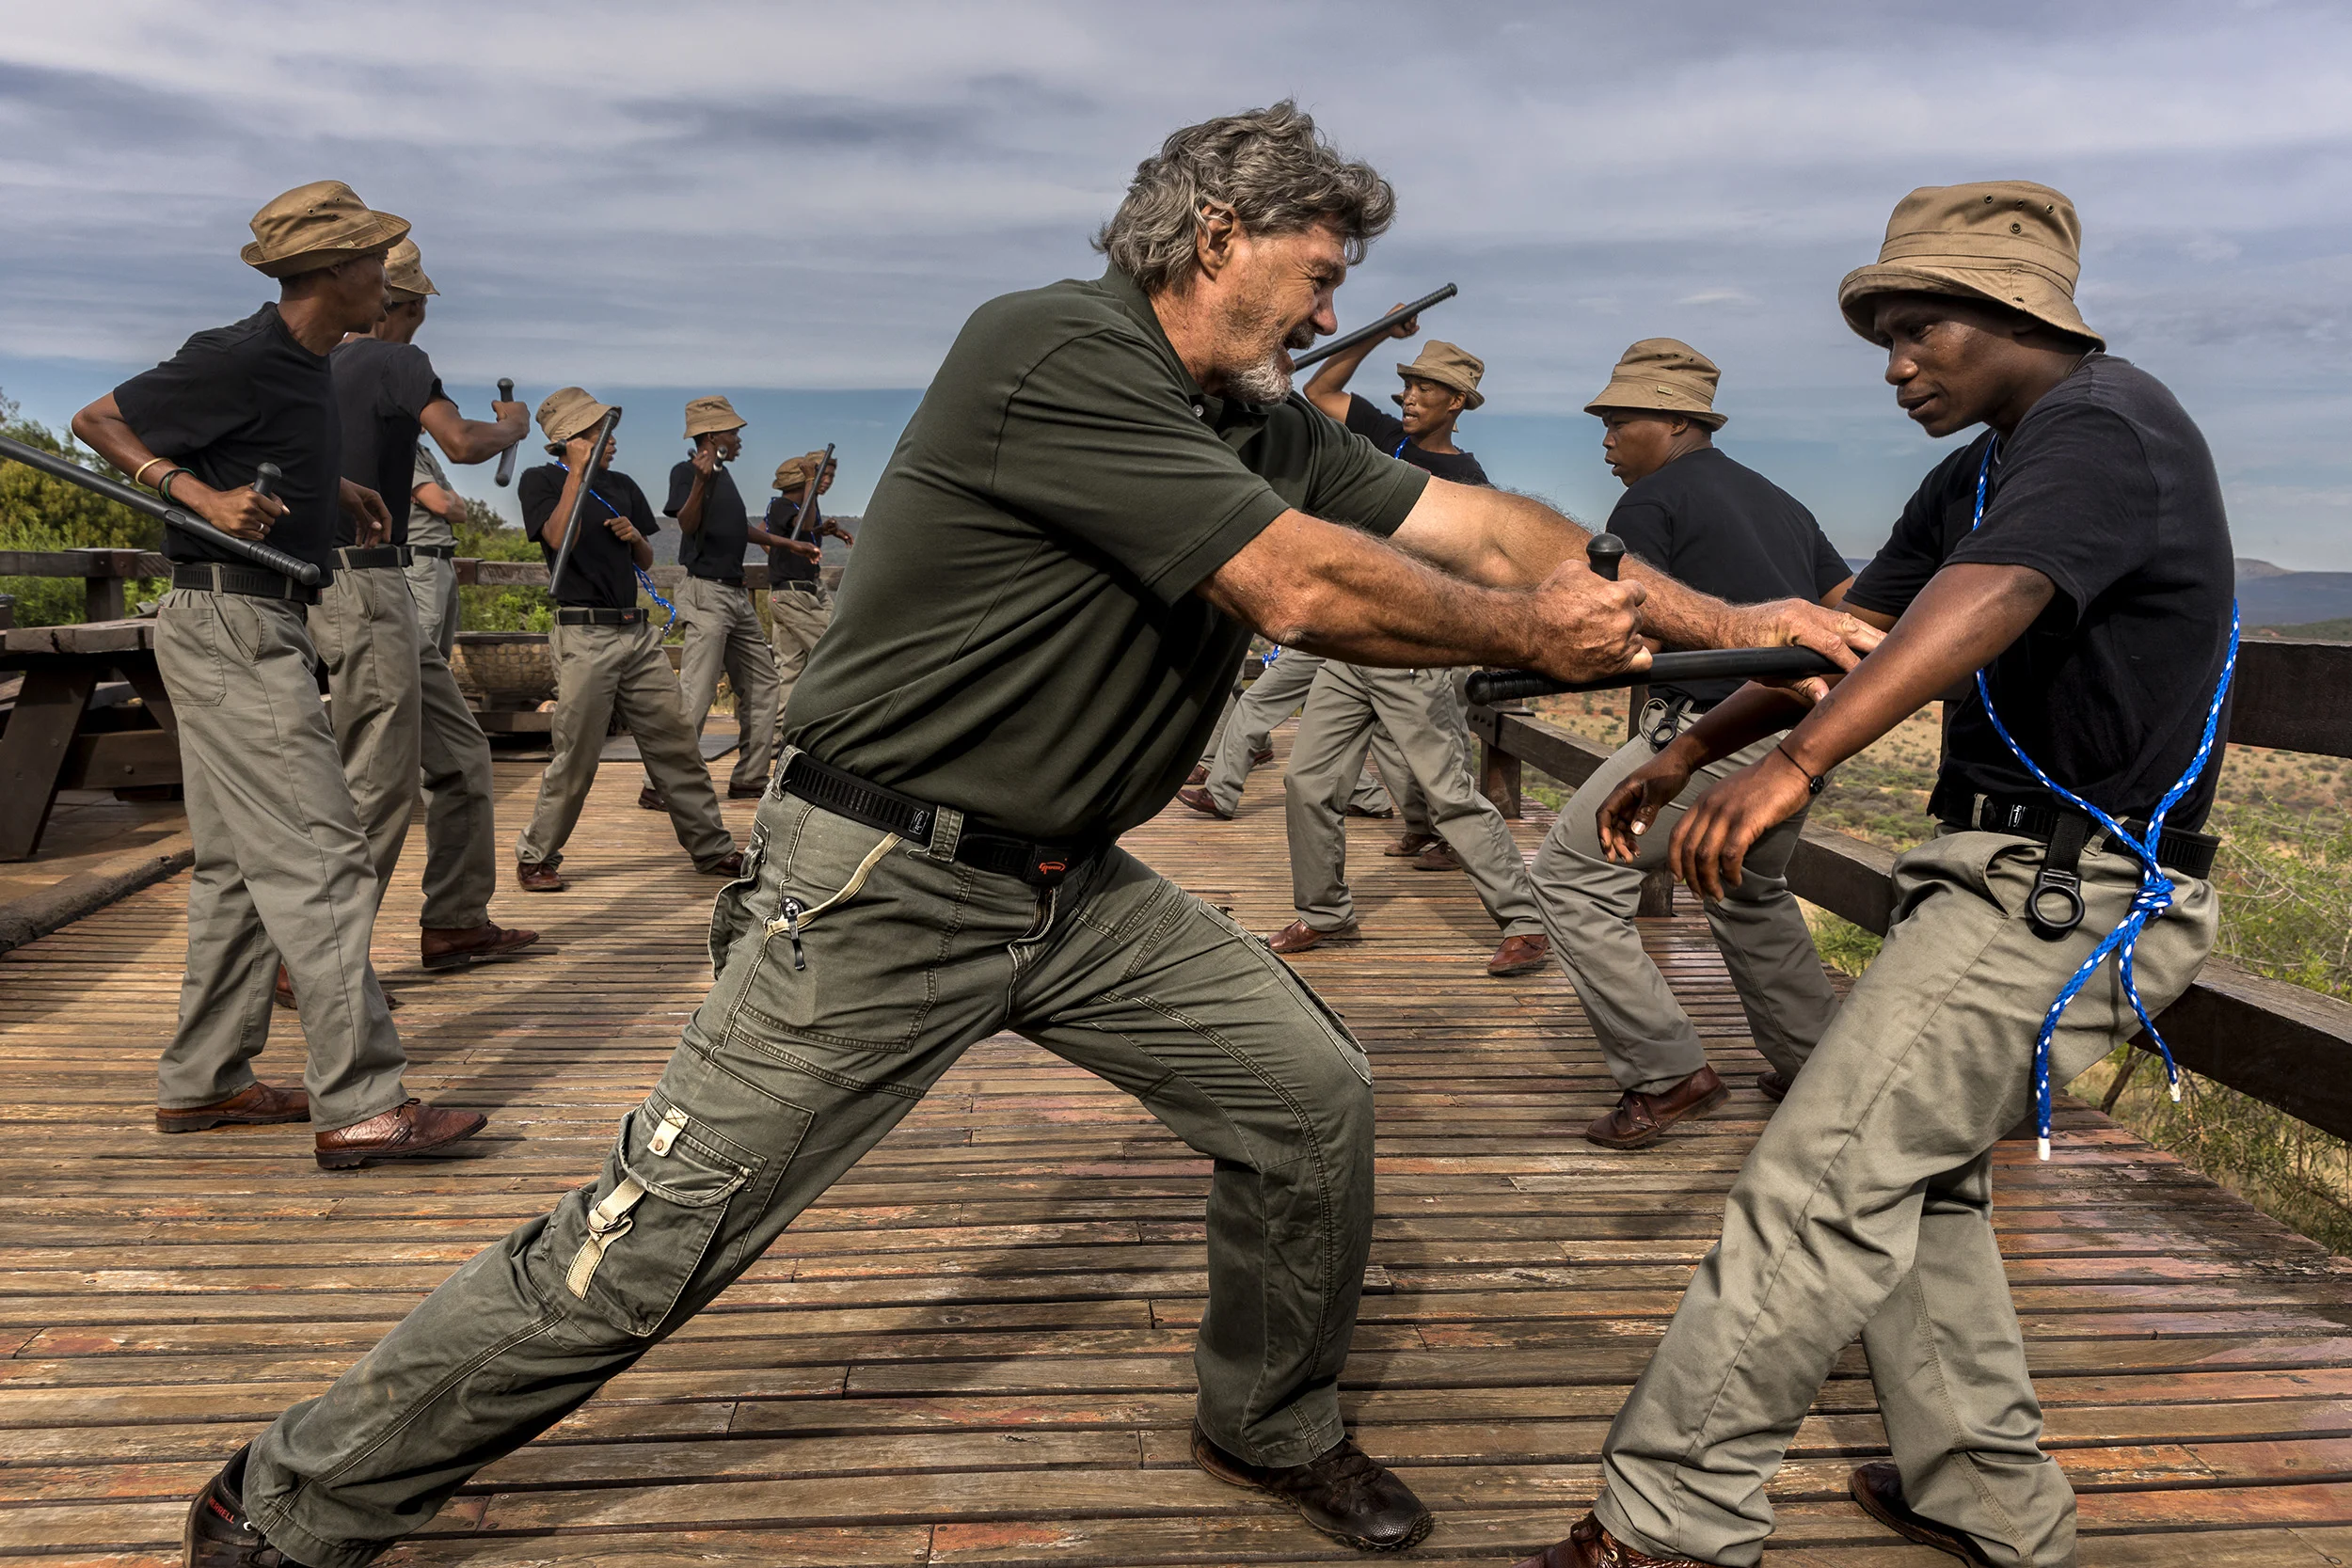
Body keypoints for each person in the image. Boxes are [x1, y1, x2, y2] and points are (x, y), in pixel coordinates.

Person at [198, 105, 1867, 1568]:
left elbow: (1488, 525)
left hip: (1070, 885)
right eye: (1320, 267)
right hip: (877, 882)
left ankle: (1268, 1420)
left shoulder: (1260, 418)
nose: (1334, 306)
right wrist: (1535, 643)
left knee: (1307, 1099)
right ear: (1218, 237)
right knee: (648, 1248)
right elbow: (1300, 589)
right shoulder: (1053, 350)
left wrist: (1727, 609)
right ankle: (292, 1495)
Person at [1518, 182, 2233, 1568]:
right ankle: (1986, 1492)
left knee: (1821, 1177)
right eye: (1887, 337)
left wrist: (1798, 770)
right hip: (2001, 874)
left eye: (1923, 329)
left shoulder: (2100, 428)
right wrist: (1704, 747)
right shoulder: (1984, 464)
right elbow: (1846, 627)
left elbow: (1991, 597)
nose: (1898, 363)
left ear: (2022, 314)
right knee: (1919, 1184)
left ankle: (1669, 1523)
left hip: (2068, 890)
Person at [71, 181, 485, 1171]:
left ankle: (206, 1079)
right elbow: (98, 421)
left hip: (257, 618)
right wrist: (190, 492)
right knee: (327, 854)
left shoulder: (305, 367)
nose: (385, 278)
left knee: (234, 869)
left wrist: (329, 489)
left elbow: (257, 447)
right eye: (374, 262)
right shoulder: (242, 352)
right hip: (231, 621)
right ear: (336, 270)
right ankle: (363, 1103)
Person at [1531, 340, 1851, 1150]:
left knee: (1569, 874)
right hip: (1797, 738)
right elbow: (1848, 607)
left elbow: (1616, 619)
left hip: (1706, 736)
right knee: (1751, 891)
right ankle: (1815, 1067)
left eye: (1619, 419)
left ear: (1675, 420)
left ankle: (1666, 1072)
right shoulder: (1781, 501)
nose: (1604, 437)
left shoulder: (1649, 504)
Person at [1277, 329, 1549, 975]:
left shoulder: (1467, 479)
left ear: (1456, 401)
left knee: (1447, 794)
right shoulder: (1381, 435)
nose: (1408, 395)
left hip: (1415, 651)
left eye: (1425, 387)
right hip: (1351, 641)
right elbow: (1319, 391)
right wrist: (1375, 333)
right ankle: (1325, 911)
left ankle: (1524, 922)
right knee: (1307, 779)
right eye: (1407, 383)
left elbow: (1480, 572)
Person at [320, 236, 540, 978]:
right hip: (365, 585)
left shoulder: (321, 365)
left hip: (361, 585)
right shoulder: (395, 361)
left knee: (461, 755)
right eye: (413, 312)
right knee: (378, 781)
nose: (415, 325)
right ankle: (320, 960)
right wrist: (513, 422)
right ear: (398, 307)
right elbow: (464, 441)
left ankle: (455, 920)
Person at [509, 388, 742, 890]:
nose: (610, 442)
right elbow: (555, 538)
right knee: (578, 752)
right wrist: (577, 471)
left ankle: (712, 848)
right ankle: (537, 855)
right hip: (583, 633)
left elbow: (644, 561)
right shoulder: (541, 481)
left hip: (634, 632)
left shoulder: (623, 485)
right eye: (598, 433)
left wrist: (634, 535)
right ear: (570, 440)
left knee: (676, 741)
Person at [645, 396, 780, 804]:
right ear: (712, 437)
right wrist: (702, 481)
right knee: (697, 692)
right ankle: (662, 785)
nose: (739, 439)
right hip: (705, 591)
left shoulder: (726, 476)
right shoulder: (686, 473)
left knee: (763, 682)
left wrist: (786, 543)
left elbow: (737, 527)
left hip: (735, 595)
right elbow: (686, 524)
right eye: (733, 432)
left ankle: (750, 778)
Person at [1176, 643, 1422, 824]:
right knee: (1329, 725)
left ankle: (1220, 793)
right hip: (1342, 637)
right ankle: (1371, 799)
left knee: (1255, 704)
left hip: (1318, 636)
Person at [759, 448, 850, 752]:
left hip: (799, 592)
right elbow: (780, 529)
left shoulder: (804, 509)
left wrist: (825, 531)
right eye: (820, 475)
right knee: (834, 649)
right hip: (792, 595)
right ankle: (839, 725)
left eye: (830, 475)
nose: (827, 481)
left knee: (790, 670)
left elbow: (807, 528)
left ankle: (776, 740)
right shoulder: (781, 506)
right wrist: (780, 557)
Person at [403, 440, 464, 655]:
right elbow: (443, 504)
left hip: (443, 559)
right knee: (423, 652)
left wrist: (435, 499)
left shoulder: (423, 452)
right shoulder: (402, 447)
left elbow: (461, 511)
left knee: (440, 656)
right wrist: (440, 500)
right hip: (420, 561)